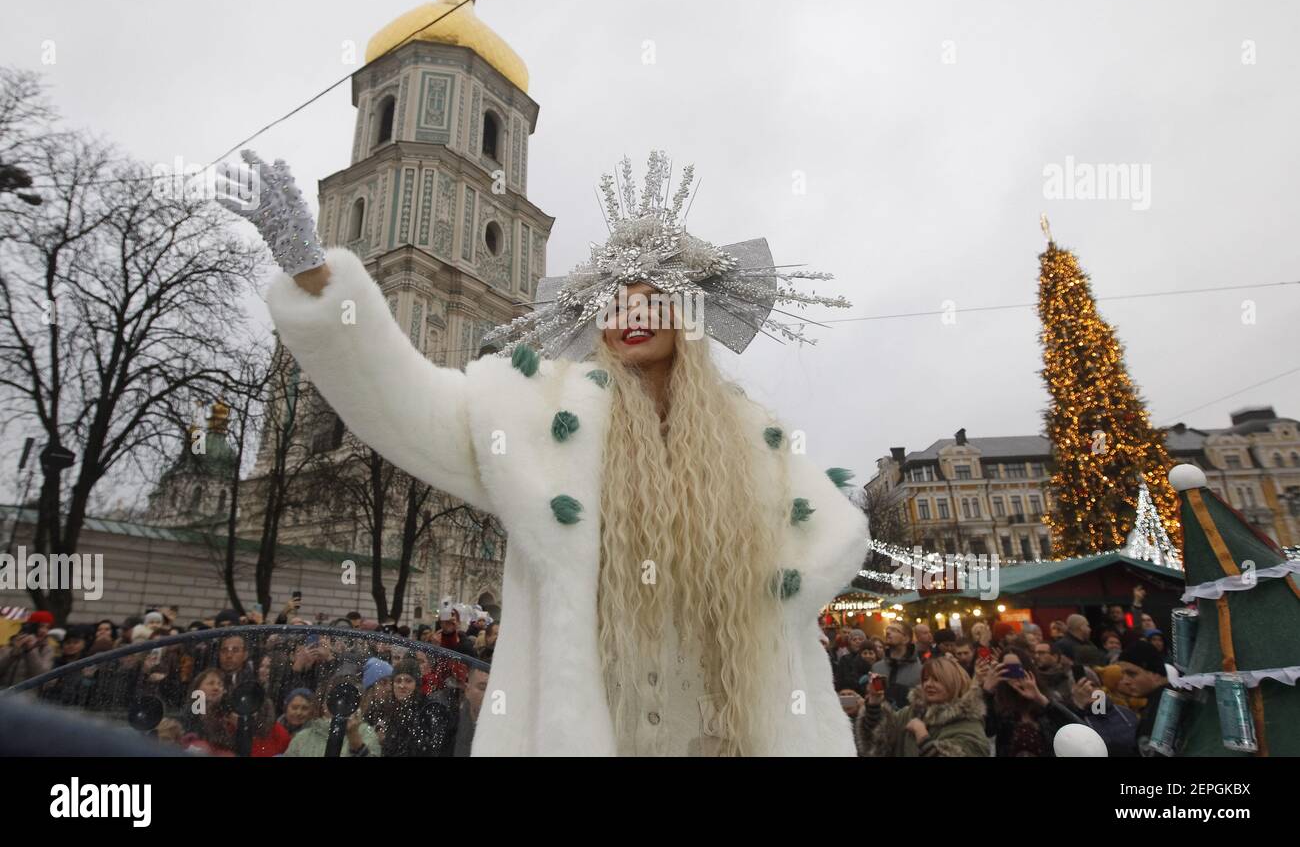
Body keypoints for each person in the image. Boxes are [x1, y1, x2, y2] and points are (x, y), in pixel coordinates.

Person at [217, 150, 866, 756]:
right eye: (616, 300)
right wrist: (314, 275)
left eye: (651, 297)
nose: (632, 312)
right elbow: (409, 404)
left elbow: (827, 539)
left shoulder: (748, 438)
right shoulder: (545, 416)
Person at [855, 656, 988, 757]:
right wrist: (874, 702)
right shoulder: (910, 713)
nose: (928, 684)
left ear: (954, 683)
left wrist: (922, 737)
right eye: (925, 679)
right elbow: (875, 744)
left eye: (936, 679)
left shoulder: (967, 722)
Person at [981, 647, 1084, 757]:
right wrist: (987, 694)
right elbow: (988, 730)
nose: (1013, 675)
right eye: (1007, 669)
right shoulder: (998, 703)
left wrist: (1041, 700)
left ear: (1027, 669)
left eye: (1016, 669)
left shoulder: (1047, 701)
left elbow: (1078, 729)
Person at [1112, 640, 1170, 753]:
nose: (1125, 681)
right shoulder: (1156, 702)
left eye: (1131, 674)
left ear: (1155, 674)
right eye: (1123, 674)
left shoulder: (1165, 708)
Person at [869, 622, 922, 709]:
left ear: (906, 638)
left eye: (894, 630)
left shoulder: (919, 669)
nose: (888, 632)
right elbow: (875, 697)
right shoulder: (877, 668)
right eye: (888, 629)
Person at [0, 612, 55, 687]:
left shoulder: (46, 649)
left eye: (48, 628)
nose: (44, 631)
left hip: (27, 697)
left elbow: (42, 676)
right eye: (41, 626)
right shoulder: (11, 644)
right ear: (32, 626)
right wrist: (12, 654)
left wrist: (31, 650)